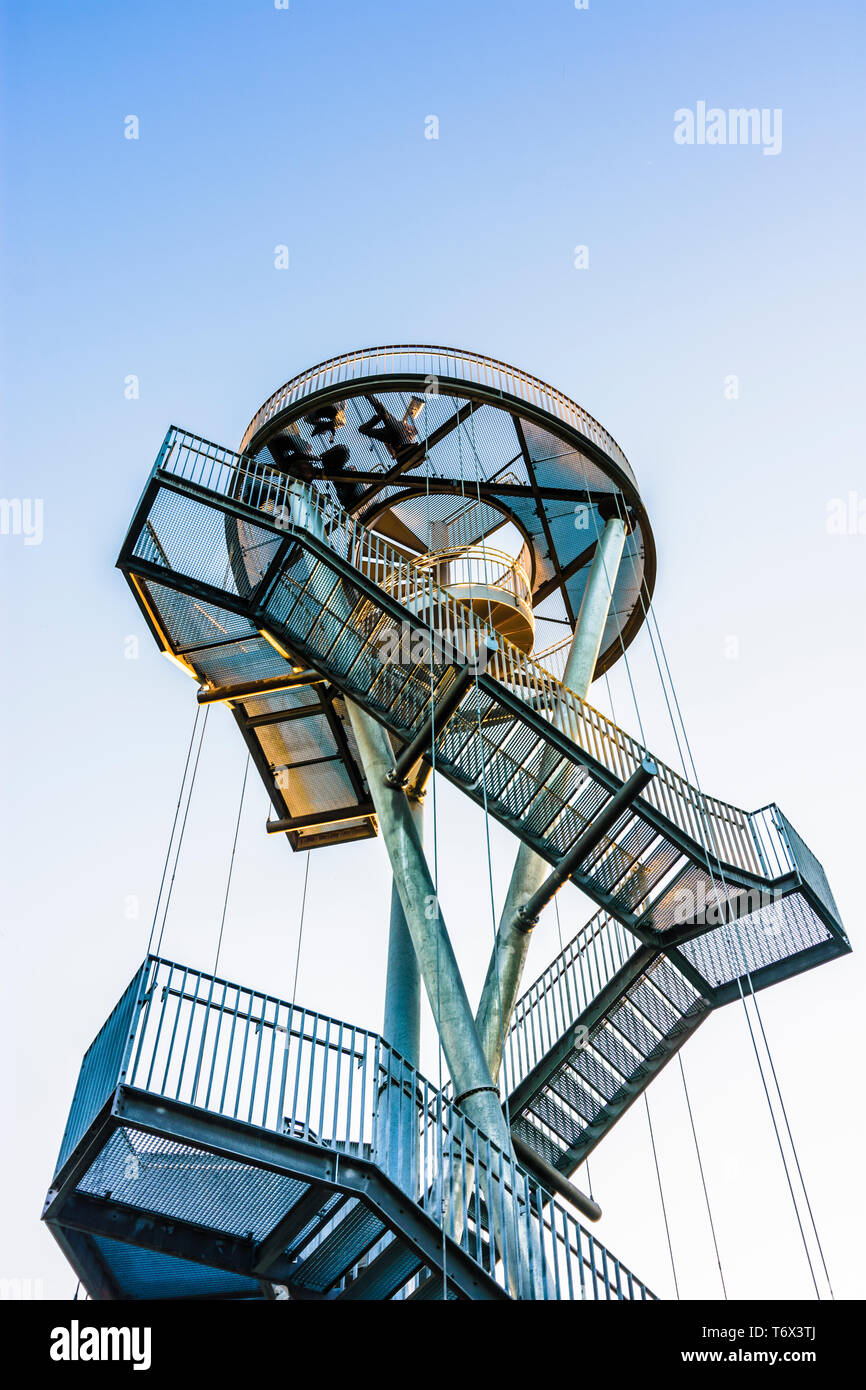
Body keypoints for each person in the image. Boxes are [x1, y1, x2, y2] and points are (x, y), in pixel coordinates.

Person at [357, 395, 425, 458]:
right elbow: (393, 454)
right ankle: (381, 416)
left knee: (379, 408)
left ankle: (380, 414)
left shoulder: (409, 436)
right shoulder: (409, 438)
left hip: (394, 432)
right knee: (362, 430)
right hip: (394, 439)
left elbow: (413, 431)